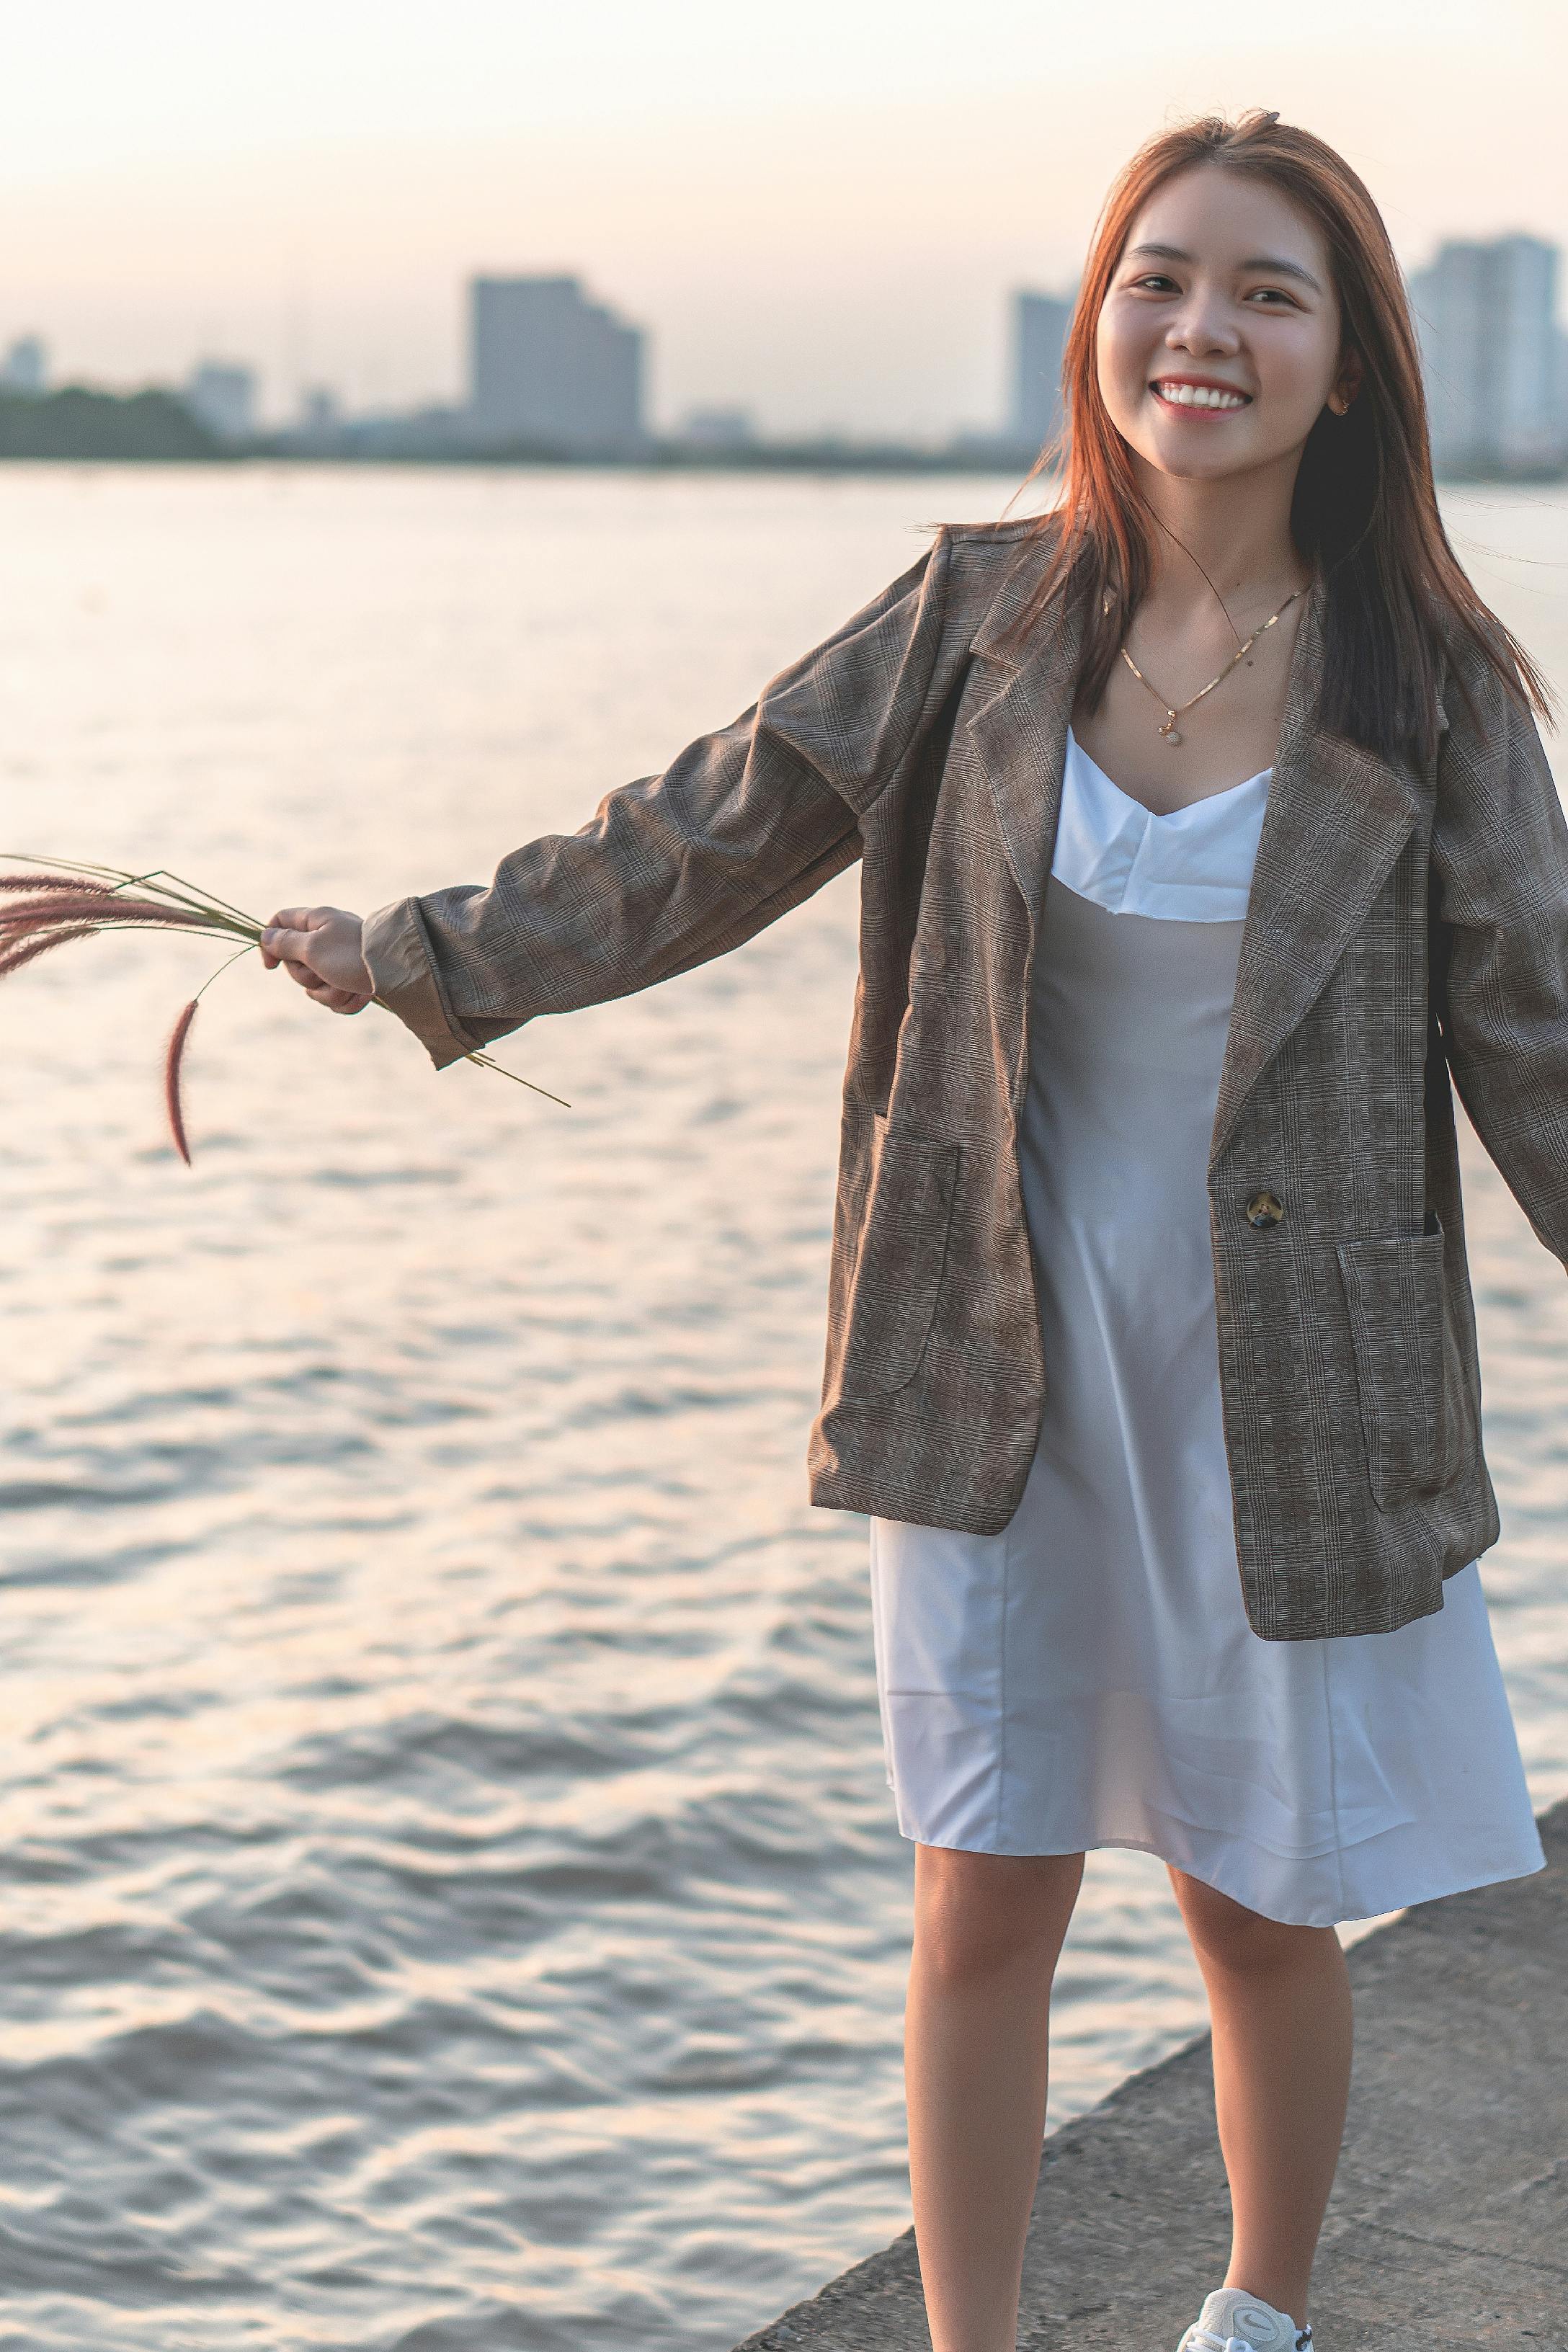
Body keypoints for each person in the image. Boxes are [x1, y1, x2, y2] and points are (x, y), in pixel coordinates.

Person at [258, 111, 1559, 2352]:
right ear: (1099, 319)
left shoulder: (1419, 684)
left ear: (1349, 365)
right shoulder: (977, 612)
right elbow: (701, 834)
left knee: (1261, 1909)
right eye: (1161, 278)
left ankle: (1259, 2316)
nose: (1201, 329)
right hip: (995, 1361)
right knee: (985, 1893)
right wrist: (421, 951)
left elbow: (1544, 1037)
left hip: (1292, 1391)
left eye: (1268, 290)